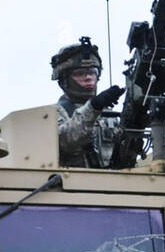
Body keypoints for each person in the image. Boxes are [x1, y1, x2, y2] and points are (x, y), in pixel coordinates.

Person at [52, 36, 124, 169]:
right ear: (64, 80)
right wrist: (93, 106)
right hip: (73, 184)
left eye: (92, 72)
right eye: (80, 74)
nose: (88, 78)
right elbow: (64, 140)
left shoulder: (108, 115)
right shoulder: (54, 114)